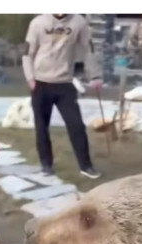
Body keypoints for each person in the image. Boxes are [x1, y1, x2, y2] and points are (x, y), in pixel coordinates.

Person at [23, 14, 103, 179]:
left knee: (77, 126)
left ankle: (86, 166)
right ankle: (46, 165)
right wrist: (30, 78)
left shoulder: (79, 23)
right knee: (41, 127)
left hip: (65, 83)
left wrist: (95, 75)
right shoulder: (38, 22)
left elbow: (89, 50)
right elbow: (27, 53)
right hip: (41, 83)